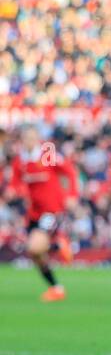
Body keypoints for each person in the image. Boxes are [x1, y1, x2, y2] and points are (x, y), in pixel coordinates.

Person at [9, 126, 79, 301]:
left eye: (33, 138)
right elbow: (16, 182)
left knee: (34, 246)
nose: (29, 142)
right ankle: (56, 288)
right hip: (33, 213)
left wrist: (71, 195)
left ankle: (59, 244)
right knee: (35, 254)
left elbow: (70, 172)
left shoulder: (47, 154)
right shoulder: (20, 160)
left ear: (38, 139)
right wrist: (13, 190)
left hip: (52, 210)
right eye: (26, 138)